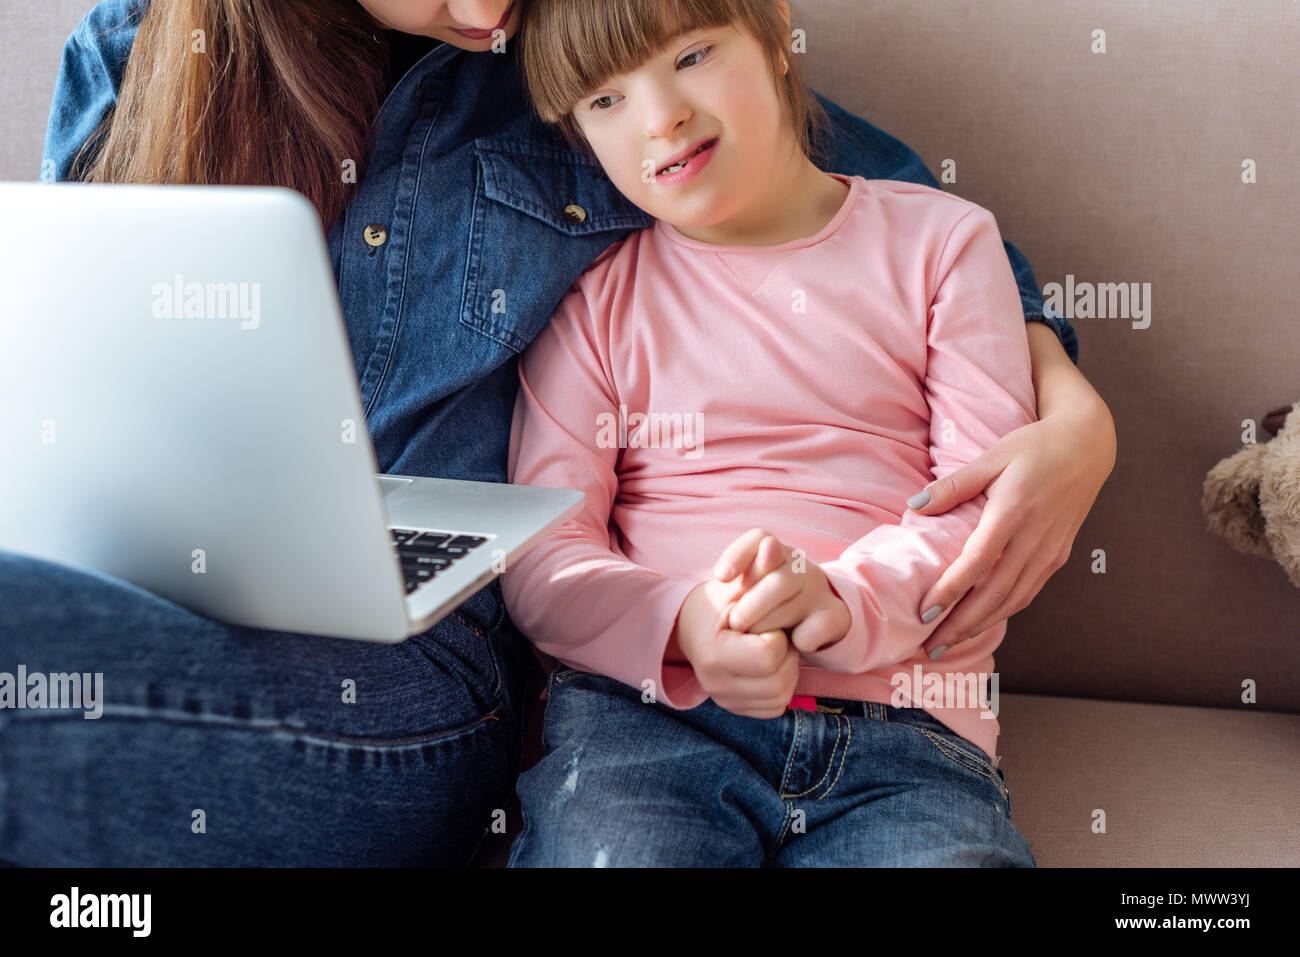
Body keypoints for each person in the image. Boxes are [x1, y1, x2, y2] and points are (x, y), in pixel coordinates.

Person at [0, 0, 1106, 866]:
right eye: (607, 101)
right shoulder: (135, 50)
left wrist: (1072, 409)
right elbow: (68, 381)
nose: (490, 7)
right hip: (151, 596)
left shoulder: (567, 51)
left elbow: (831, 189)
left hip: (412, 662)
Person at [500, 0, 1099, 866]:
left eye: (695, 53)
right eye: (604, 100)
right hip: (646, 726)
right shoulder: (592, 306)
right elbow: (543, 555)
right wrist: (686, 625)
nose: (659, 115)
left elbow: (983, 504)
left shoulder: (945, 244)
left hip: (906, 736)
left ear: (777, 31)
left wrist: (841, 601)